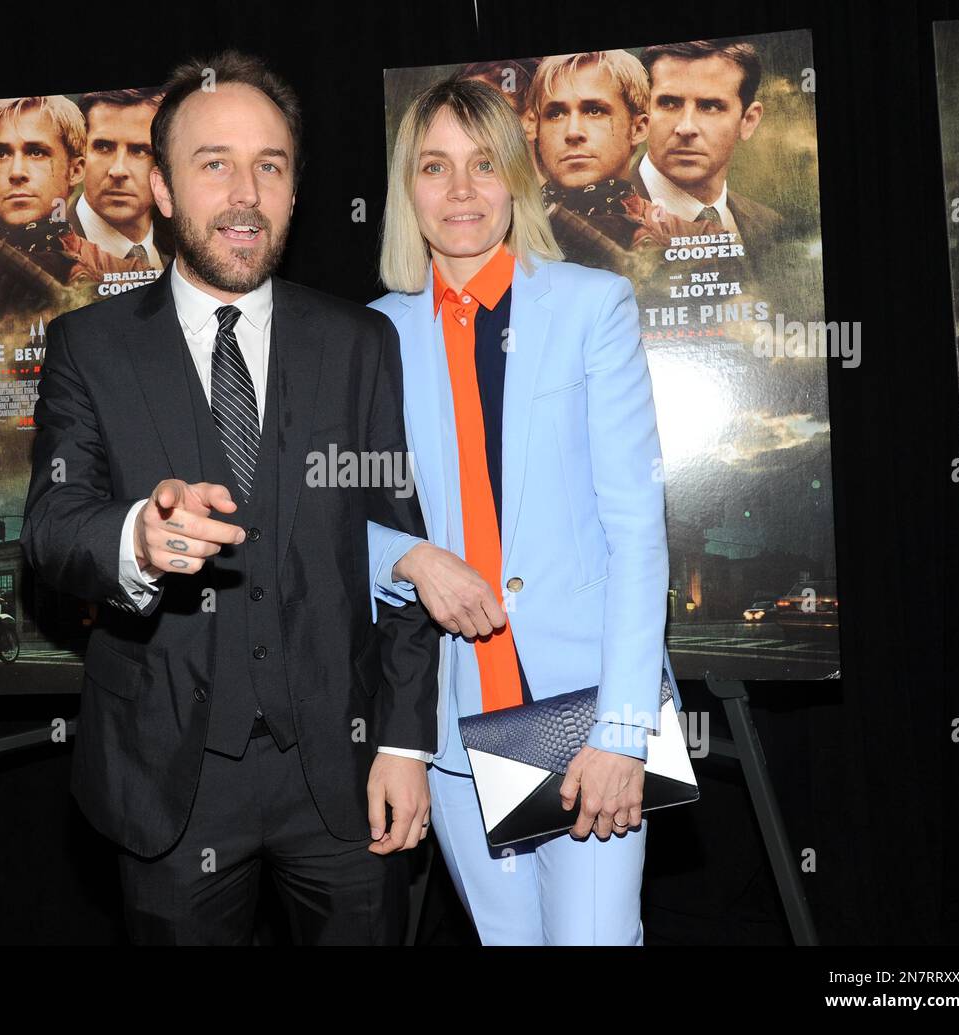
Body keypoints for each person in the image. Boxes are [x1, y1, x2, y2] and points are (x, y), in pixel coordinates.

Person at [20, 49, 439, 946]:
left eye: (271, 167)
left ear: (293, 192)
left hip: (345, 773)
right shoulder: (90, 348)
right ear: (164, 191)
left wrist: (405, 742)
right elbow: (53, 526)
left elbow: (403, 548)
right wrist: (136, 536)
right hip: (171, 780)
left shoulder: (358, 343)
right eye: (215, 164)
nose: (245, 193)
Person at [366, 77, 681, 945]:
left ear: (517, 176)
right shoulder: (371, 336)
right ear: (407, 188)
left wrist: (623, 729)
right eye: (435, 167)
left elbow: (634, 531)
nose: (461, 191)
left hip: (588, 716)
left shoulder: (590, 306)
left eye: (483, 165)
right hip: (455, 723)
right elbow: (320, 523)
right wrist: (407, 558)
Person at [0, 96, 154, 313]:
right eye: (1, 154)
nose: (16, 172)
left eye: (36, 152)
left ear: (75, 170)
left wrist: (74, 273)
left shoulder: (129, 269)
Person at [523, 51, 718, 278]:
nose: (573, 132)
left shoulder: (698, 241)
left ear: (638, 128)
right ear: (536, 130)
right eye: (556, 114)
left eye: (594, 111)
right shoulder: (503, 232)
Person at [633, 40, 781, 265]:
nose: (686, 127)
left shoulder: (771, 227)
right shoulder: (595, 221)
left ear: (748, 120)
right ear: (642, 113)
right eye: (669, 103)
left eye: (710, 106)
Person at [70, 89, 174, 267]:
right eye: (103, 147)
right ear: (79, 156)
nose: (118, 170)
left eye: (140, 151)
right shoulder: (40, 253)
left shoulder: (184, 251)